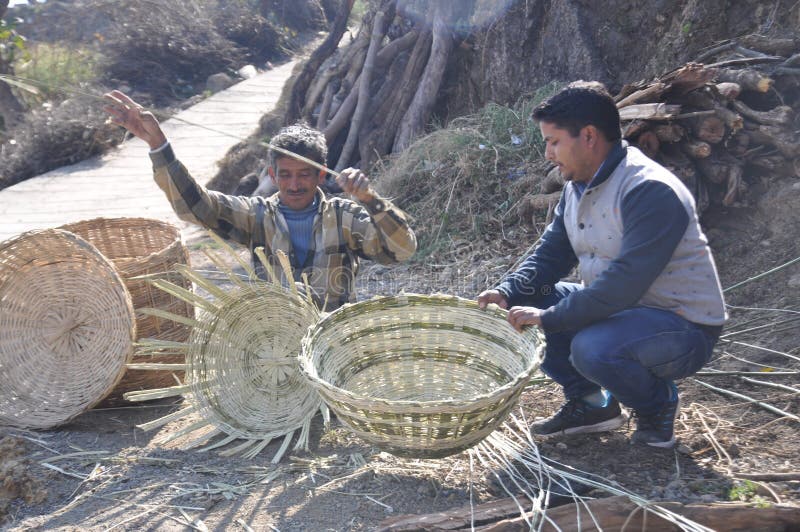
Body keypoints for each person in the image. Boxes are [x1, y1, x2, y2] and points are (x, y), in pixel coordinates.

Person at [477, 82, 726, 448]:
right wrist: (507, 291)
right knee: (529, 307)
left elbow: (622, 285)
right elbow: (550, 255)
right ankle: (593, 406)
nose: (547, 153)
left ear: (589, 136)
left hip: (682, 327)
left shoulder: (649, 190)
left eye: (554, 141)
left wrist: (551, 318)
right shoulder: (576, 187)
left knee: (590, 347)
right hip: (623, 313)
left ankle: (657, 404)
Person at [104, 90, 417, 310]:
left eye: (304, 175)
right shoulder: (256, 215)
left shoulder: (344, 215)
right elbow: (196, 207)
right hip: (274, 348)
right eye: (286, 175)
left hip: (333, 343)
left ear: (322, 176)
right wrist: (159, 145)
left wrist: (371, 199)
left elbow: (401, 251)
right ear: (272, 174)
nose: (294, 185)